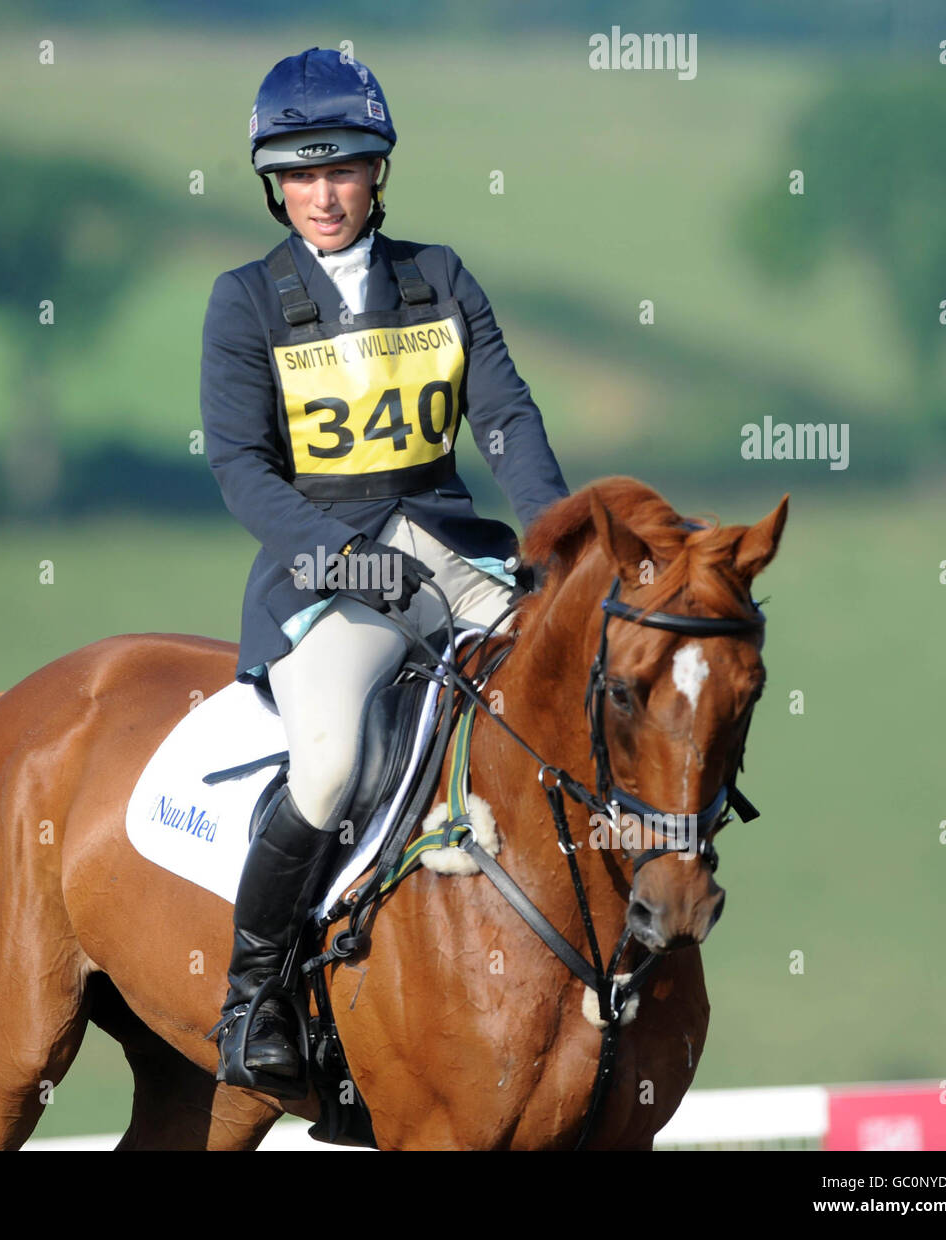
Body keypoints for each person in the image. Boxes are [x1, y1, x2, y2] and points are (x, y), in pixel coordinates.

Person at [200, 47, 571, 1093]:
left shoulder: (440, 278)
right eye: (300, 173)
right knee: (328, 769)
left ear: (378, 173)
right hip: (325, 579)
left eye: (343, 170)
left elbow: (502, 419)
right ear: (272, 183)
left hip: (455, 558)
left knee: (560, 706)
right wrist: (338, 558)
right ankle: (256, 995)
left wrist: (552, 539)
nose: (322, 194)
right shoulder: (246, 304)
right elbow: (240, 465)